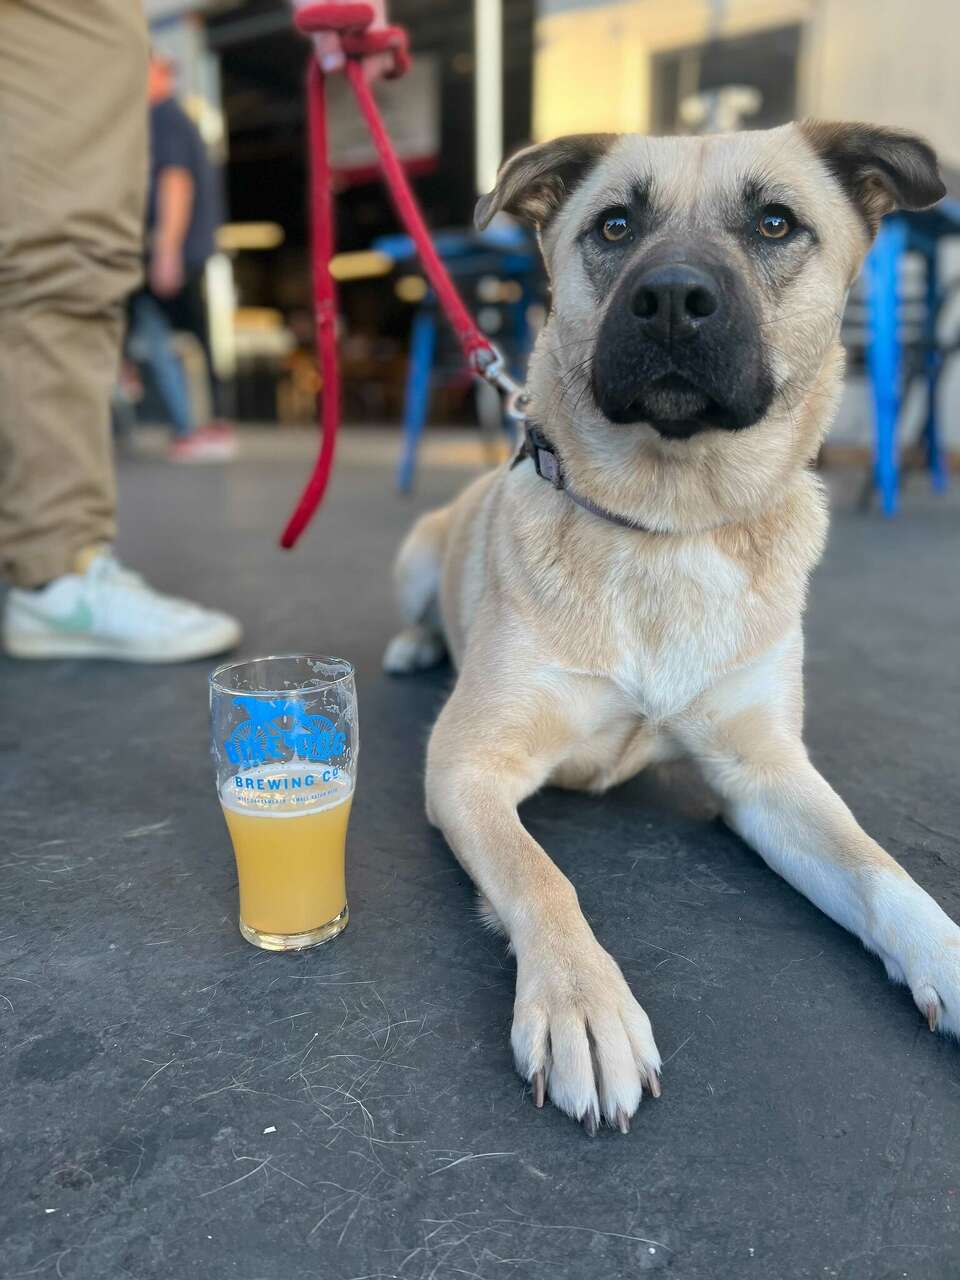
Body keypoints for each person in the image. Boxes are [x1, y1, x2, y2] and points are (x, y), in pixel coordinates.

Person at [0, 0, 241, 662]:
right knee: (63, 250)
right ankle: (57, 575)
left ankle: (49, 557)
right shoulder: (167, 116)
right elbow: (173, 184)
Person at [127, 51, 236, 464]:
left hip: (175, 252)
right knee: (191, 338)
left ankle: (190, 429)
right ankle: (207, 425)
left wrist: (165, 251)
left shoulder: (163, 118)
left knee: (163, 337)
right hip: (188, 250)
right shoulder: (180, 119)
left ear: (161, 75)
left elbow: (175, 183)